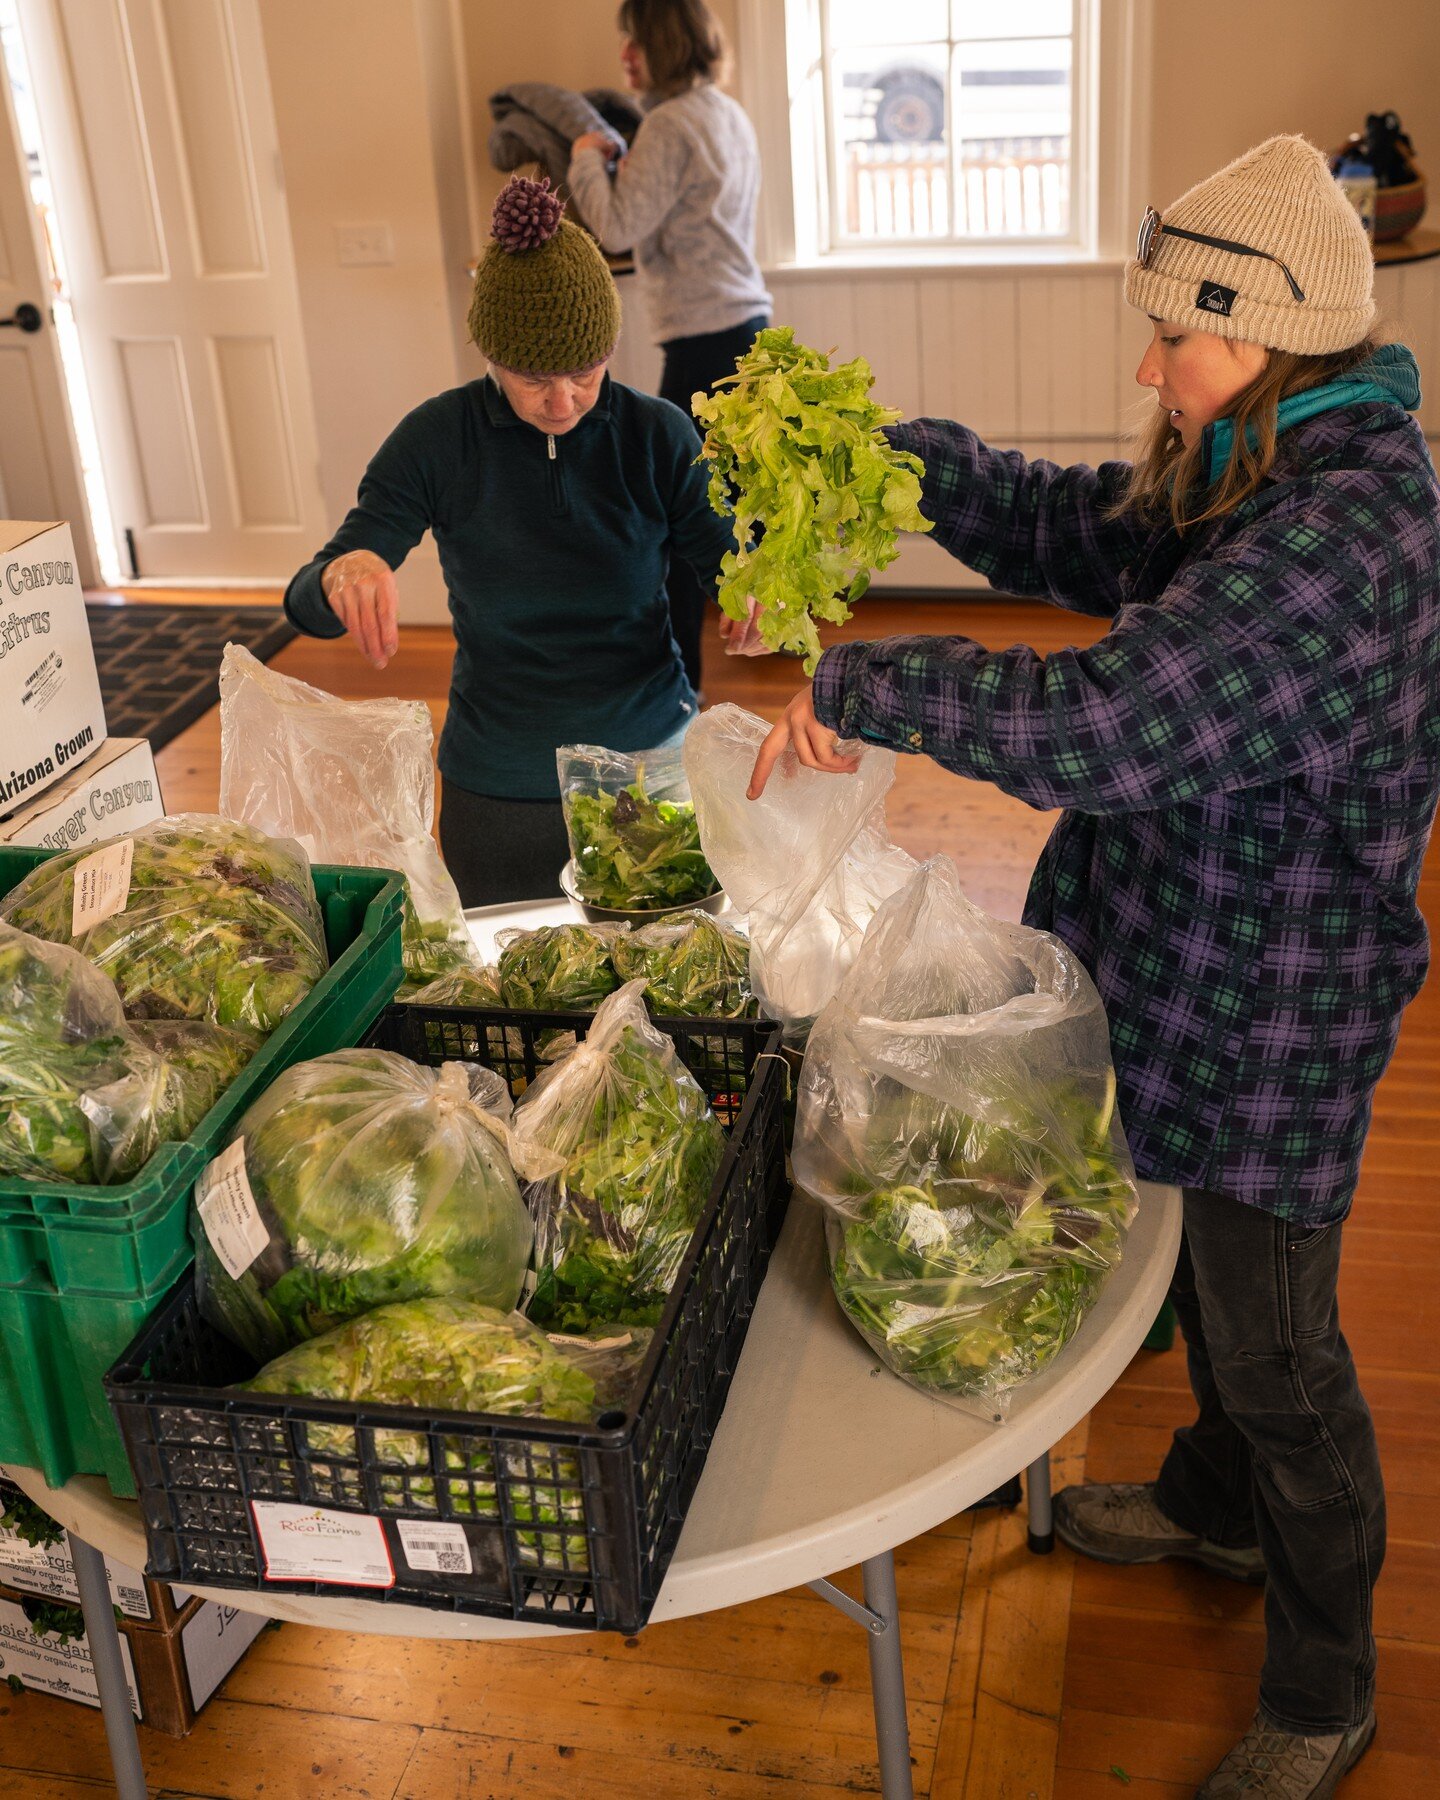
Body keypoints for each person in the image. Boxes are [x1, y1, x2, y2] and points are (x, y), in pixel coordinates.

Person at [748, 135, 1440, 1798]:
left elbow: (1113, 723)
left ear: (1270, 334)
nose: (1152, 367)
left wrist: (868, 691)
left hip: (1275, 1003)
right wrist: (902, 467)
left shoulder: (1349, 538)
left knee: (1277, 1347)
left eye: (1177, 340)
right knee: (1192, 1264)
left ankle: (1329, 1684)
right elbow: (1089, 529)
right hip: (1182, 944)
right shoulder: (1256, 452)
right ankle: (1208, 1504)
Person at [282, 174, 734, 909]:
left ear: (612, 346)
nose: (562, 402)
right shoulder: (437, 437)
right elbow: (308, 599)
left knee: (668, 976)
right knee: (508, 990)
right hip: (497, 780)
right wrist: (345, 572)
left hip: (650, 760)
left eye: (585, 374)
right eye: (532, 379)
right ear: (490, 355)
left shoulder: (659, 434)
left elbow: (722, 559)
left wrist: (747, 595)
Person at [567, 0, 771, 693]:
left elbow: (618, 226)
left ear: (665, 44)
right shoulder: (726, 113)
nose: (625, 56)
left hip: (700, 341)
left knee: (671, 513)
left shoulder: (667, 123)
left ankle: (676, 680)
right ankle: (738, 642)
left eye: (636, 42)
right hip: (747, 328)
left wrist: (585, 160)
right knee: (726, 505)